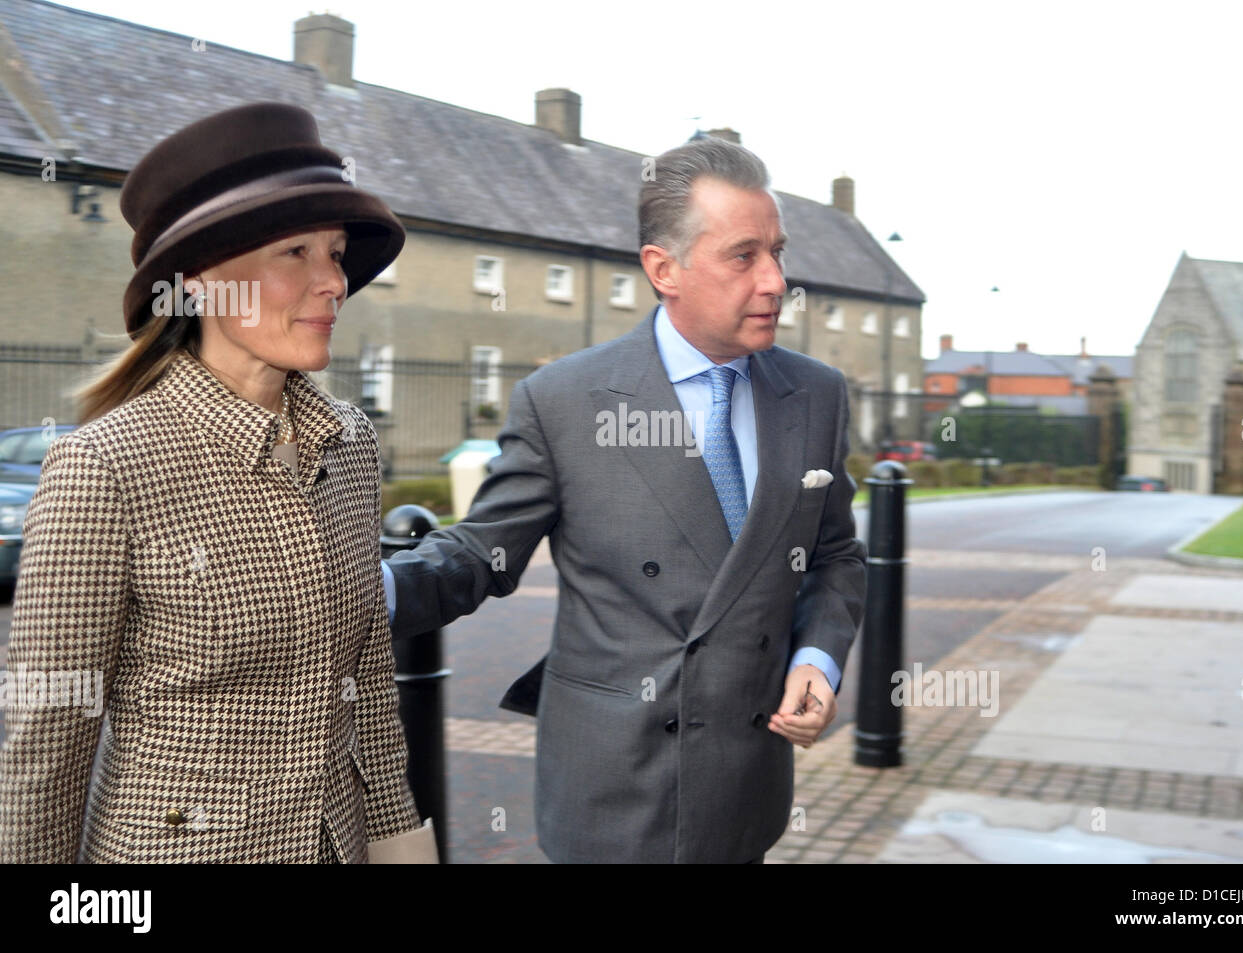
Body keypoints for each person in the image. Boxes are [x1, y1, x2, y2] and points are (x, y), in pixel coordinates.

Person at [384, 136, 867, 863]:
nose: (775, 281)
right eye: (744, 256)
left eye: (778, 252)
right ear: (662, 268)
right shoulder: (565, 399)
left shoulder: (817, 393)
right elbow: (481, 552)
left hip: (743, 784)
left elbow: (835, 554)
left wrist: (817, 659)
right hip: (610, 791)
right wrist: (362, 589)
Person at [0, 102, 434, 863]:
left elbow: (366, 681)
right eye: (295, 252)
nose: (334, 280)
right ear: (201, 283)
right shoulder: (106, 467)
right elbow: (50, 734)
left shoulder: (351, 444)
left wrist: (401, 843)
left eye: (335, 252)